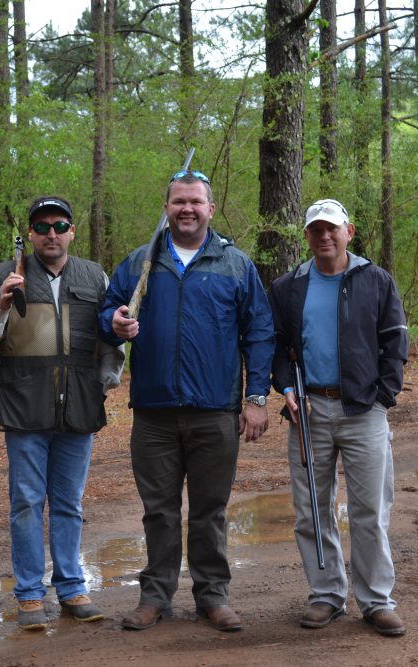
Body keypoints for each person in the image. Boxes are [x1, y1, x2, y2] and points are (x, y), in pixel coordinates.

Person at [98, 171, 274, 632]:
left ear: (210, 209)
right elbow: (106, 310)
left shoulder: (235, 264)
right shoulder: (141, 262)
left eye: (196, 201)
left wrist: (256, 397)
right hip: (154, 415)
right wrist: (113, 322)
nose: (187, 209)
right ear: (166, 207)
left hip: (215, 411)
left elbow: (259, 333)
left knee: (209, 511)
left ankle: (212, 596)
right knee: (158, 512)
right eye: (179, 201)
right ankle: (155, 597)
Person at [0, 196, 125, 630]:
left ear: (72, 230)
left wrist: (104, 383)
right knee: (26, 504)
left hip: (79, 408)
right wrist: (1, 303)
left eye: (60, 224)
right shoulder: (6, 274)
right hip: (23, 408)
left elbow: (112, 337)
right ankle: (30, 595)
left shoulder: (94, 276)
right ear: (31, 234)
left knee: (69, 505)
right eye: (42, 226)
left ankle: (72, 587)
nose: (51, 233)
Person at [268, 199, 409, 637]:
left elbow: (395, 341)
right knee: (312, 510)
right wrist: (286, 388)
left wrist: (383, 397)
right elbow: (276, 347)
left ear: (349, 230)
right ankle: (326, 594)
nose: (324, 236)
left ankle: (376, 600)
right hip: (308, 411)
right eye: (316, 230)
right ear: (306, 236)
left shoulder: (375, 280)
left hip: (364, 411)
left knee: (370, 510)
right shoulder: (288, 286)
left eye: (332, 228)